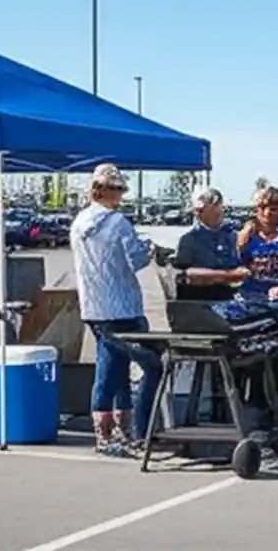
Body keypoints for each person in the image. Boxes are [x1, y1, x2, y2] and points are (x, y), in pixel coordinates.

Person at [71, 163, 163, 456]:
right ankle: (121, 432)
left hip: (94, 306)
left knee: (115, 367)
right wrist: (148, 247)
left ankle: (118, 431)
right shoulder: (118, 222)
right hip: (122, 306)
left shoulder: (79, 223)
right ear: (107, 191)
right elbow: (135, 260)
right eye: (119, 190)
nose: (121, 196)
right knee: (145, 366)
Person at [237, 185, 278, 427]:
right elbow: (237, 266)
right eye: (262, 208)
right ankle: (250, 408)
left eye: (273, 208)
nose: (267, 213)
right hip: (253, 303)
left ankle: (272, 409)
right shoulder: (247, 235)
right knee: (252, 357)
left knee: (277, 357)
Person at [172, 187, 250, 301]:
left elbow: (240, 266)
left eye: (219, 208)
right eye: (211, 208)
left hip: (228, 296)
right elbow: (185, 276)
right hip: (198, 299)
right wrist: (228, 276)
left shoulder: (232, 236)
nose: (218, 212)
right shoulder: (188, 240)